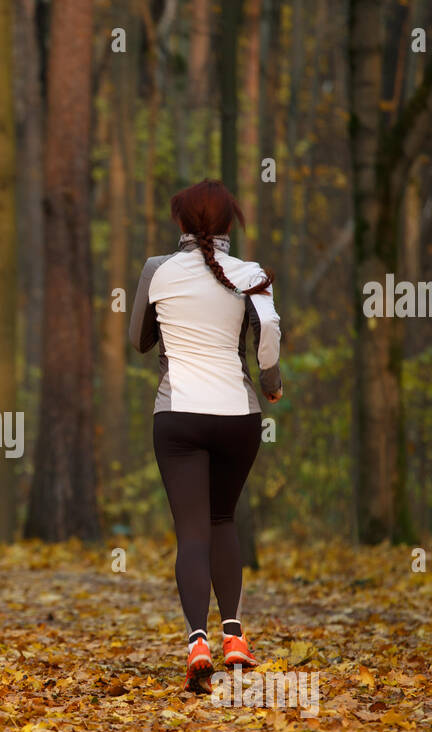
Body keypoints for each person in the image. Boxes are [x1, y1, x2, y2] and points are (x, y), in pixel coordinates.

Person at [128, 179, 283, 689]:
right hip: (238, 417)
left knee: (192, 530)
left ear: (181, 224)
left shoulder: (157, 270)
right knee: (223, 520)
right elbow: (269, 337)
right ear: (227, 225)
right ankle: (235, 637)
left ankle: (197, 641)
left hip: (179, 417)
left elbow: (138, 341)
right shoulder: (251, 274)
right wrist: (271, 383)